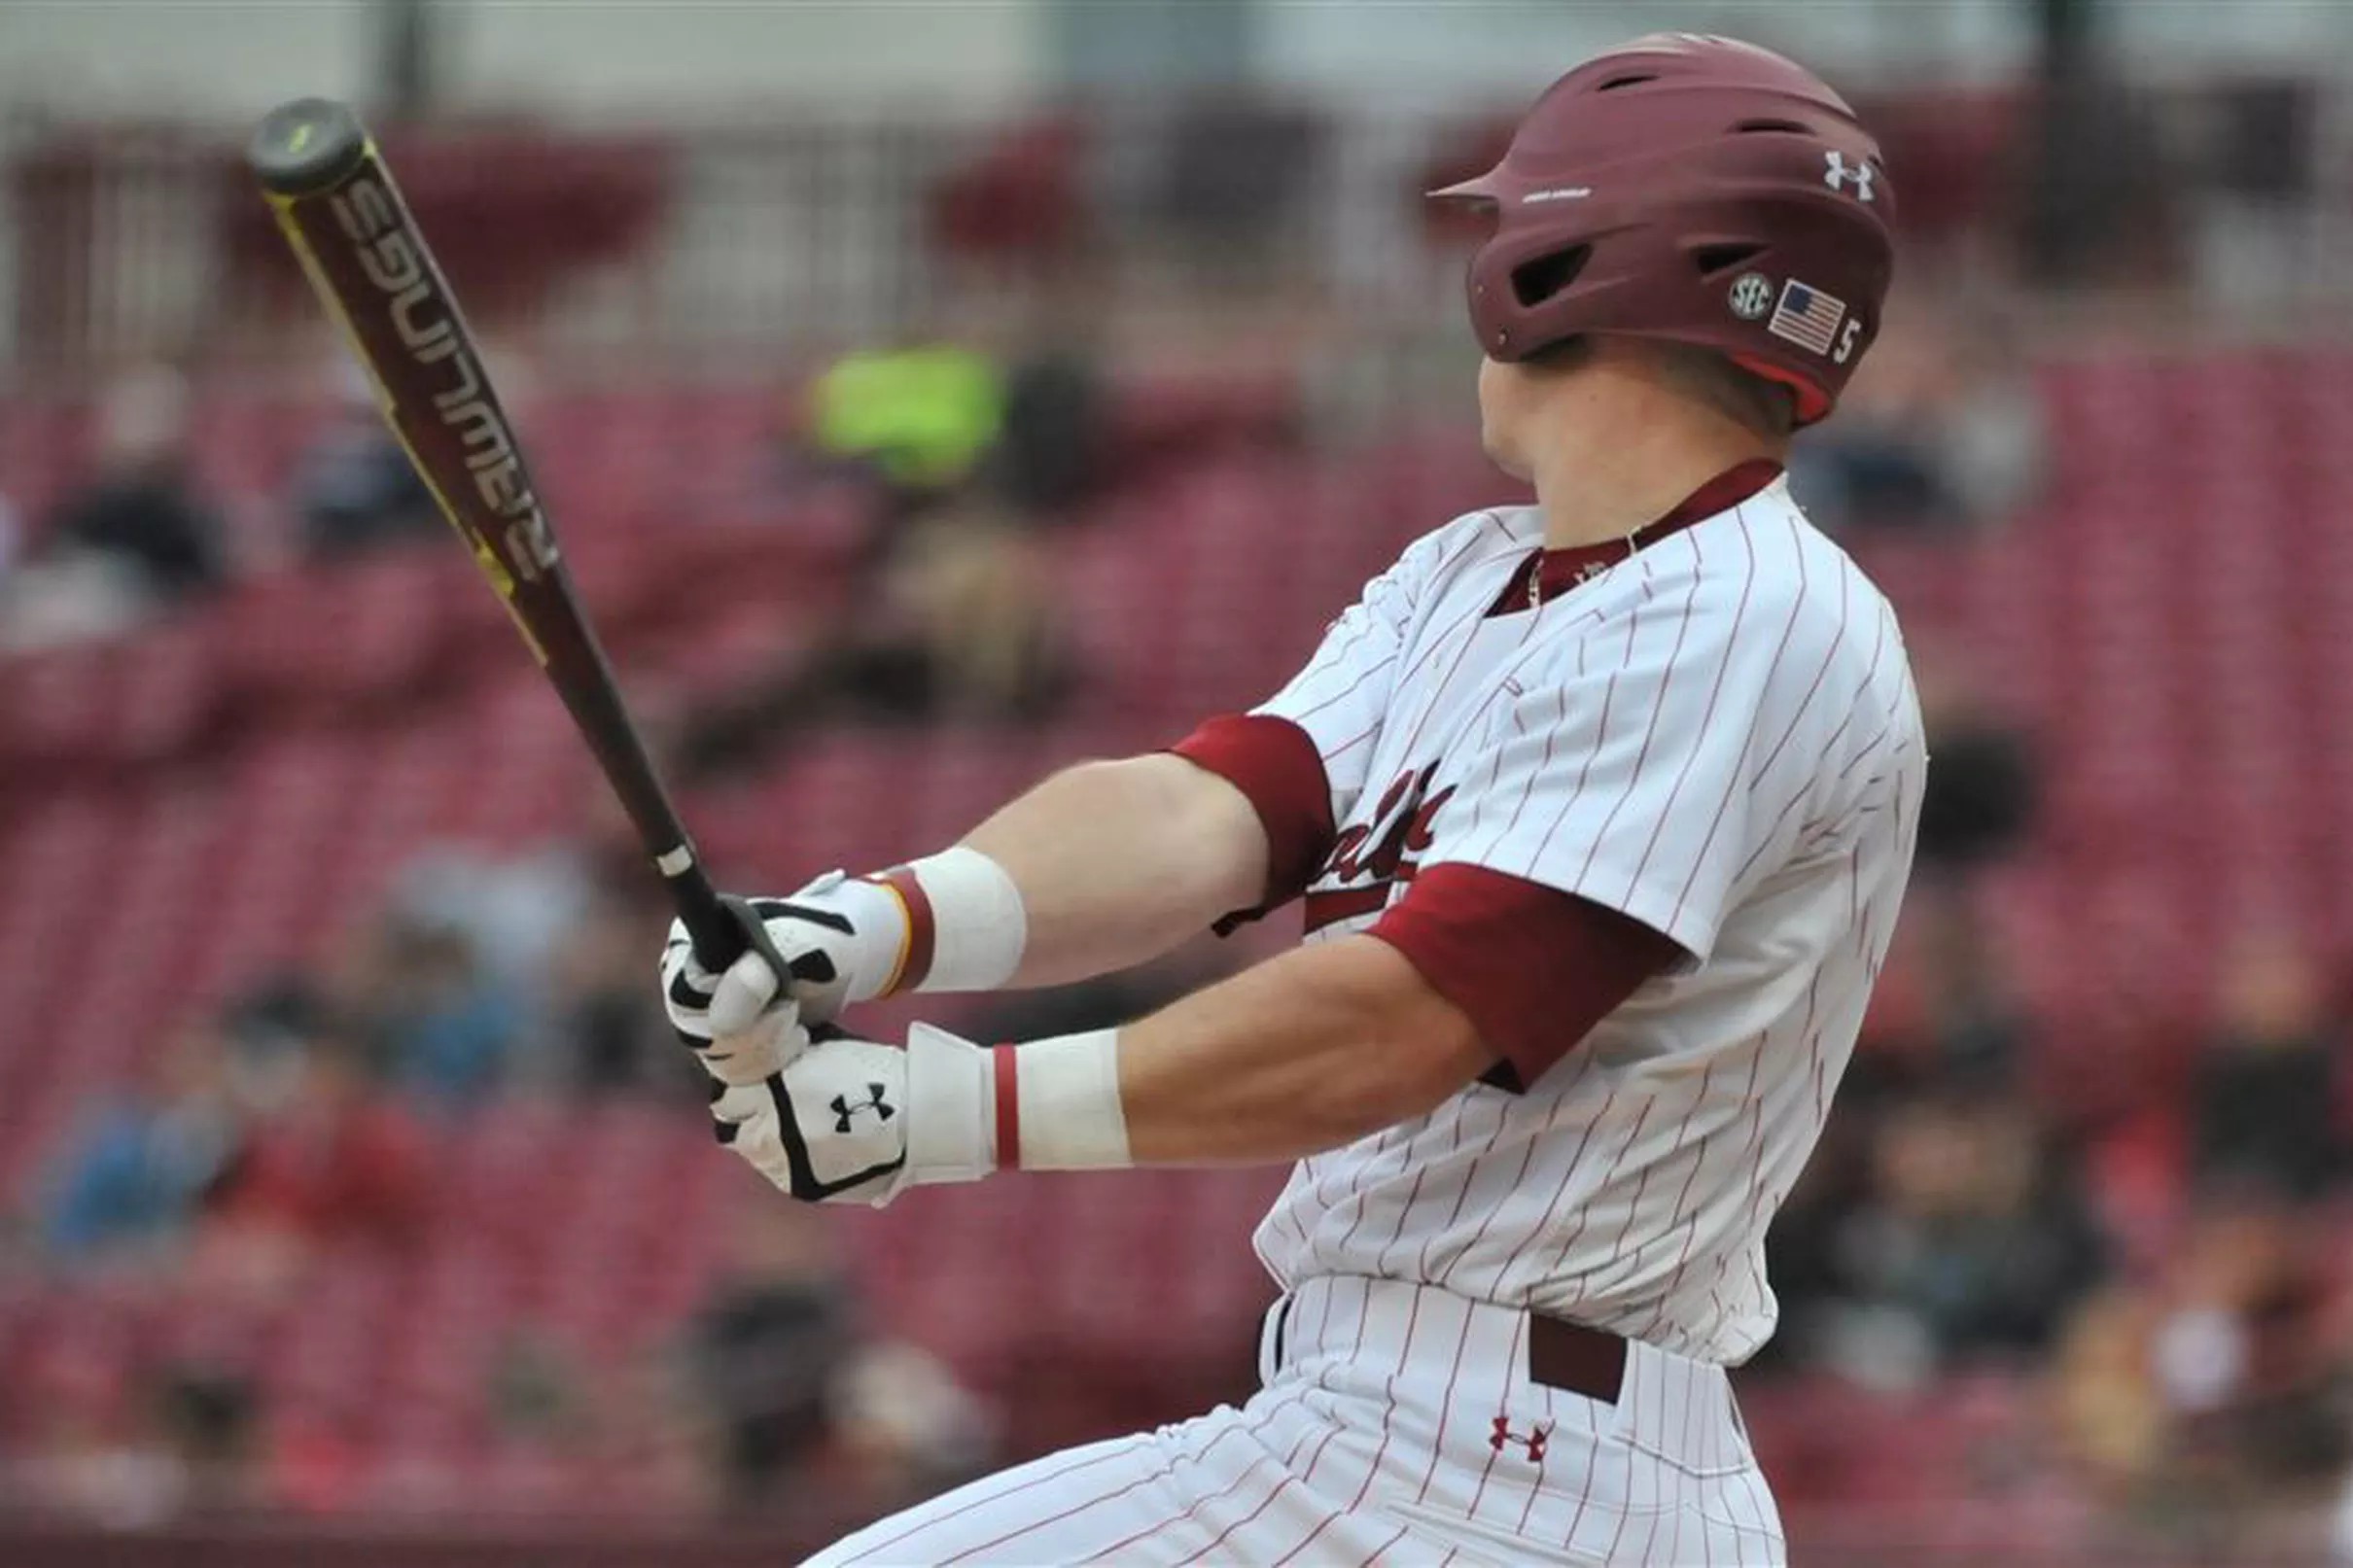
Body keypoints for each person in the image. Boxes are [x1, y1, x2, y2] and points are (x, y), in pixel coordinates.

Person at [661, 35, 1914, 1565]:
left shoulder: (1750, 605)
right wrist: (861, 927)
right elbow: (1205, 820)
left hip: (1497, 1464)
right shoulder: (1468, 577)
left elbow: (1403, 1019)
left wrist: (948, 1111)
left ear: (1574, 259)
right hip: (1420, 1441)